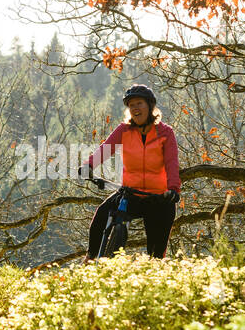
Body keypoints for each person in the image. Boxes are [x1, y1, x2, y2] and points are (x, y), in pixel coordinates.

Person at [76, 83, 181, 259]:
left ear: (150, 106)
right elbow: (105, 149)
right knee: (101, 216)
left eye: (139, 103)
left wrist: (173, 189)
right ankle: (90, 259)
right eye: (131, 105)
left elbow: (172, 162)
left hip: (159, 197)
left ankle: (155, 274)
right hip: (131, 194)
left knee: (156, 253)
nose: (135, 108)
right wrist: (89, 165)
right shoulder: (124, 130)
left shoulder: (165, 132)